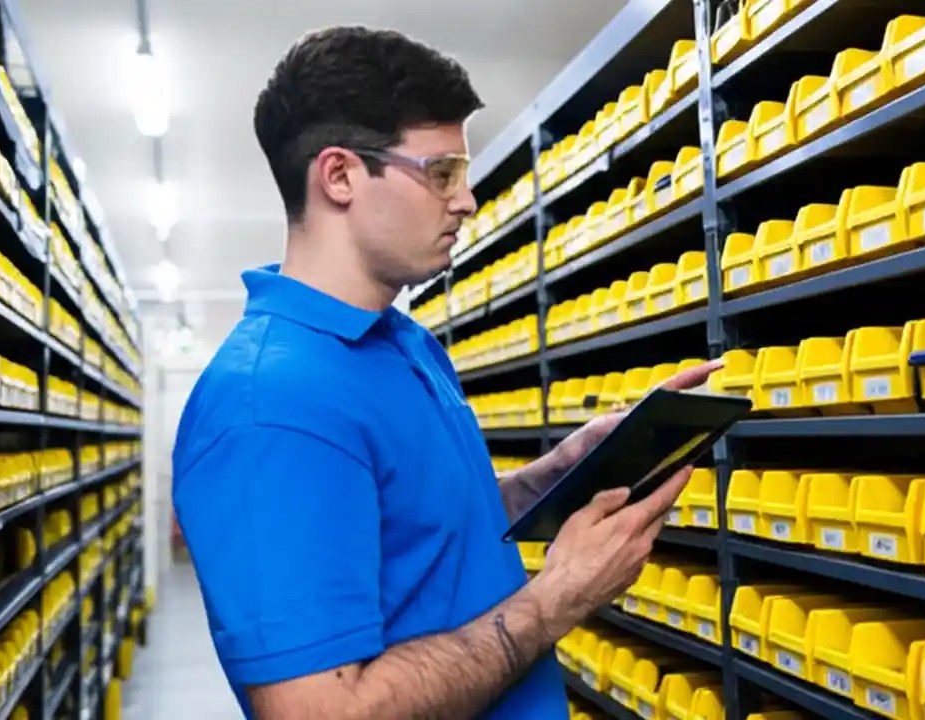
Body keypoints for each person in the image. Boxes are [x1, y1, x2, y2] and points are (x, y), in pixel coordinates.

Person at [172, 26, 721, 720]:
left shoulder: (402, 343)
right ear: (339, 176)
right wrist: (556, 599)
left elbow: (416, 529)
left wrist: (549, 478)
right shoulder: (269, 407)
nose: (465, 200)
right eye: (441, 173)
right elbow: (322, 712)